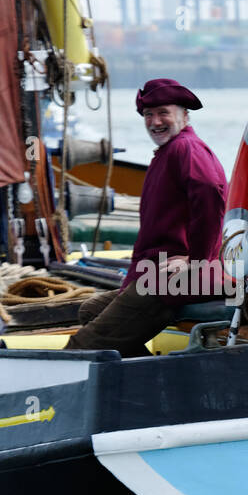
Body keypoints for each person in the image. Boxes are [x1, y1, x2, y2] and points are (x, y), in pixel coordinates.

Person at [65, 78, 228, 357]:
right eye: (148, 114)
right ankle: (148, 376)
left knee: (81, 347)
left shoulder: (185, 148)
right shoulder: (169, 151)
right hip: (154, 274)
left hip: (170, 280)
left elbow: (211, 192)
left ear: (184, 115)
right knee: (90, 310)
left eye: (163, 112)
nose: (155, 121)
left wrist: (197, 261)